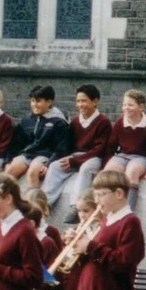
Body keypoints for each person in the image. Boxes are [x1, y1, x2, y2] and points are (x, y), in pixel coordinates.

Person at [43, 84, 112, 218]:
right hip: (76, 156)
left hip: (94, 157)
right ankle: (46, 203)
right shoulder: (75, 122)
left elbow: (99, 149)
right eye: (78, 101)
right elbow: (69, 146)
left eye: (84, 101)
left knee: (86, 169)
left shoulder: (103, 122)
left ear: (95, 101)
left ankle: (76, 206)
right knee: (55, 166)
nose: (81, 104)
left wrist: (75, 160)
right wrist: (64, 159)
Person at [5, 85, 71, 191]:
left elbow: (62, 147)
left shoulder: (58, 122)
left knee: (32, 173)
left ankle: (34, 203)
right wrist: (8, 161)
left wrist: (49, 164)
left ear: (49, 102)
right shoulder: (27, 120)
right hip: (28, 154)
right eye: (32, 101)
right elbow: (16, 142)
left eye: (38, 101)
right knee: (9, 172)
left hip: (45, 155)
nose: (34, 105)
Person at [104, 89, 146, 204]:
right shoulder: (120, 123)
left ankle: (128, 211)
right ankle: (107, 208)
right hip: (123, 156)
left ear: (141, 106)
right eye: (124, 104)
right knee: (109, 172)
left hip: (142, 157)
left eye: (130, 105)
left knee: (132, 172)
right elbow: (110, 147)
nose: (126, 107)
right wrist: (108, 162)